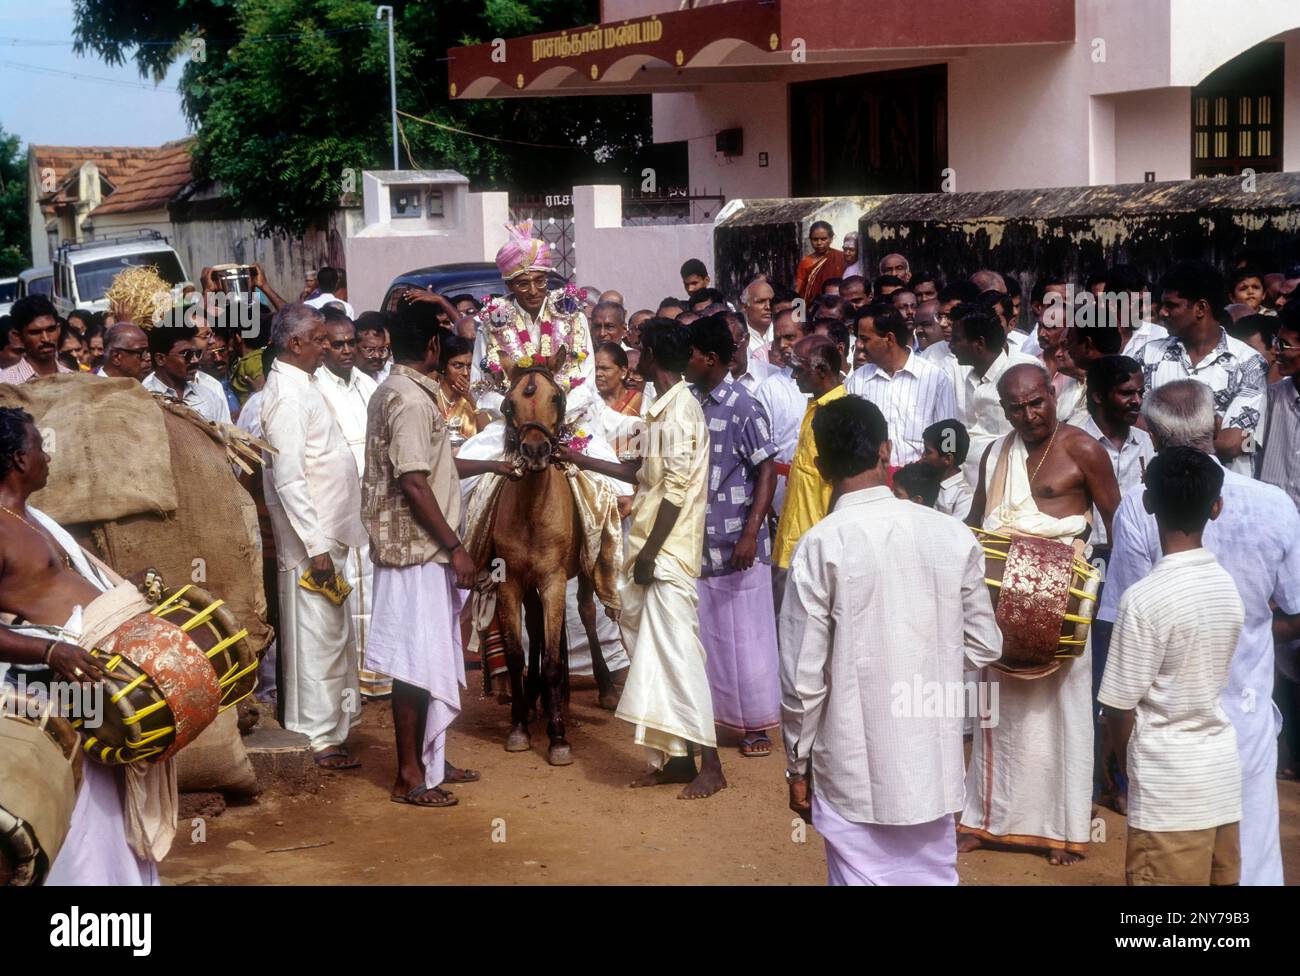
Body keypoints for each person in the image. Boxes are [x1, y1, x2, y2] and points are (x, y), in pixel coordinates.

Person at [780, 396, 1001, 885]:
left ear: (818, 466)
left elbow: (803, 679)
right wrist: (927, 653)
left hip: (851, 764)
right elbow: (985, 645)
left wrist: (797, 766)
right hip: (932, 760)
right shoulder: (952, 535)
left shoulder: (820, 545)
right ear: (886, 451)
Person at [1100, 380, 1300, 885]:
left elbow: (1124, 620)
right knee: (1246, 859)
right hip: (1246, 712)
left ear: (1153, 436)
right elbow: (1297, 610)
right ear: (1213, 427)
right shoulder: (1273, 503)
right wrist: (1242, 631)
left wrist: (1114, 752)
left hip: (1165, 731)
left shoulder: (1139, 507)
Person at [958, 362, 1120, 865]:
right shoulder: (993, 452)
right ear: (1002, 409)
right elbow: (975, 522)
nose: (1028, 415)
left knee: (1061, 719)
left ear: (1054, 394)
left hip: (1064, 602)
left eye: (1037, 403)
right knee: (995, 719)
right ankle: (986, 821)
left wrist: (1094, 597)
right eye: (1016, 408)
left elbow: (1119, 526)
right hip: (999, 605)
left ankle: (1062, 829)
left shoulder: (1083, 448)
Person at [0, 408, 171, 884]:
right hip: (42, 694)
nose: (47, 455)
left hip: (85, 683)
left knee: (106, 803)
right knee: (73, 810)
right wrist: (51, 653)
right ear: (18, 459)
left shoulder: (33, 518)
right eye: (40, 447)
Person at [557, 318, 723, 798]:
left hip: (666, 553)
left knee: (679, 655)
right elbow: (636, 472)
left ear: (651, 355)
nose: (633, 359)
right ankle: (676, 758)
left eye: (638, 351)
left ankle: (710, 763)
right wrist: (576, 457)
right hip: (652, 548)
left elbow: (673, 493)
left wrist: (650, 554)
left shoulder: (678, 413)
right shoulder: (662, 408)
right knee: (654, 655)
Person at [1099, 447, 1243, 886]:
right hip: (1220, 783)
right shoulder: (1226, 585)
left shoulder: (1143, 599)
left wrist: (1122, 770)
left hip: (1168, 796)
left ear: (1147, 503)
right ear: (1216, 508)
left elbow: (1119, 710)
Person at [361, 315, 482, 807]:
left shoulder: (397, 389)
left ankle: (431, 756)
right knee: (414, 664)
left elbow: (434, 468)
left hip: (416, 548)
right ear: (432, 346)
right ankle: (410, 773)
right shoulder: (410, 400)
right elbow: (414, 480)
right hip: (418, 550)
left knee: (426, 657)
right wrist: (455, 547)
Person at [261, 304, 369, 770]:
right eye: (320, 339)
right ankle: (315, 738)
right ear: (295, 344)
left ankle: (331, 732)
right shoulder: (286, 395)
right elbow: (288, 479)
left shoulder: (304, 386)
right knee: (314, 644)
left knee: (332, 640)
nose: (327, 346)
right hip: (312, 548)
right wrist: (316, 547)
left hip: (329, 537)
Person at [683, 315, 781, 759]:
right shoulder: (689, 402)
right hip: (700, 545)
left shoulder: (743, 405)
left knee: (749, 639)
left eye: (690, 355)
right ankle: (724, 719)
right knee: (715, 639)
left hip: (740, 547)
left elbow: (766, 470)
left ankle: (757, 726)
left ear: (709, 358)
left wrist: (750, 533)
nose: (684, 363)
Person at [313, 307, 387, 701]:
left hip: (375, 505)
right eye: (337, 344)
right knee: (344, 595)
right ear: (322, 347)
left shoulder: (369, 385)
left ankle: (380, 676)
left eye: (350, 343)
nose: (346, 351)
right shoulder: (315, 388)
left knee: (376, 590)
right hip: (336, 509)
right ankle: (349, 684)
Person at [1138, 262, 1268, 476]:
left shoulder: (1248, 363)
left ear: (1200, 308)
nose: (1162, 313)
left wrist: (1162, 433)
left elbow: (1235, 444)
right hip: (1160, 494)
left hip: (1224, 495)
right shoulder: (1148, 355)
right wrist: (1207, 436)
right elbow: (1127, 420)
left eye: (1171, 305)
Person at [845, 304, 956, 466]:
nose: (859, 345)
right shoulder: (858, 379)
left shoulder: (935, 378)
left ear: (889, 339)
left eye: (865, 339)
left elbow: (948, 434)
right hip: (874, 483)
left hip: (920, 482)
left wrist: (944, 473)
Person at [772, 335, 846, 574]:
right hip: (795, 537)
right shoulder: (815, 407)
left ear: (821, 370)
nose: (793, 377)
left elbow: (843, 483)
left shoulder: (839, 414)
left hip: (819, 543)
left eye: (799, 370)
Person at [949, 303, 1039, 485]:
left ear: (979, 343)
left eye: (957, 339)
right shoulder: (969, 378)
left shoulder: (1024, 371)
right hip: (971, 482)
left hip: (1014, 482)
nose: (951, 346)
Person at [142, 325, 233, 425]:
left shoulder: (209, 397)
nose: (195, 360)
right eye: (187, 354)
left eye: (197, 353)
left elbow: (228, 437)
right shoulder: (143, 399)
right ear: (160, 359)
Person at [1259, 309, 1299, 510]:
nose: (1275, 351)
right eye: (1276, 342)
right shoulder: (1270, 399)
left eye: (1283, 345)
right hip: (1272, 520)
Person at [0, 296, 74, 383]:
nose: (46, 339)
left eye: (51, 329)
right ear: (18, 337)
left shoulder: (75, 380)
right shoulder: (5, 384)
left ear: (58, 329)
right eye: (35, 332)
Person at [921, 419, 973, 520]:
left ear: (947, 459)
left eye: (928, 452)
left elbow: (957, 530)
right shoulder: (924, 479)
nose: (923, 456)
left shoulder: (964, 495)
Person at [721, 309, 774, 395]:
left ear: (747, 339)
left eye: (733, 346)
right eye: (720, 347)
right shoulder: (705, 381)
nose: (727, 353)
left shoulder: (771, 375)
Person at [794, 222, 845, 305]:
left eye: (823, 239)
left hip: (839, 301)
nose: (819, 243)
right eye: (815, 239)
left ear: (831, 238)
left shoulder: (841, 257)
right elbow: (800, 288)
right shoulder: (806, 262)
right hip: (814, 305)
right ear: (810, 239)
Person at [740, 278, 776, 363]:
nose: (768, 307)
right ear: (745, 307)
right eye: (761, 301)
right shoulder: (738, 337)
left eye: (771, 301)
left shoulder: (782, 333)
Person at [355, 314, 392, 383]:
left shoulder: (386, 377)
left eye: (381, 350)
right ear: (353, 348)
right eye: (370, 350)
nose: (377, 355)